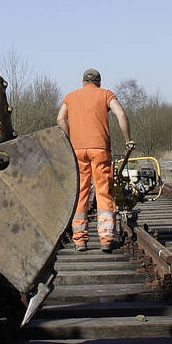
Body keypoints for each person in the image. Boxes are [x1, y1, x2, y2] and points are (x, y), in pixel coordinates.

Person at [56, 69, 134, 252]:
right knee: (103, 192)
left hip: (77, 150)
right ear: (98, 82)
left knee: (81, 193)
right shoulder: (106, 94)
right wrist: (127, 139)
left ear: (83, 81)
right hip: (100, 149)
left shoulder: (71, 97)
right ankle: (106, 239)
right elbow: (121, 114)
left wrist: (71, 138)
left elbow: (60, 119)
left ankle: (80, 240)